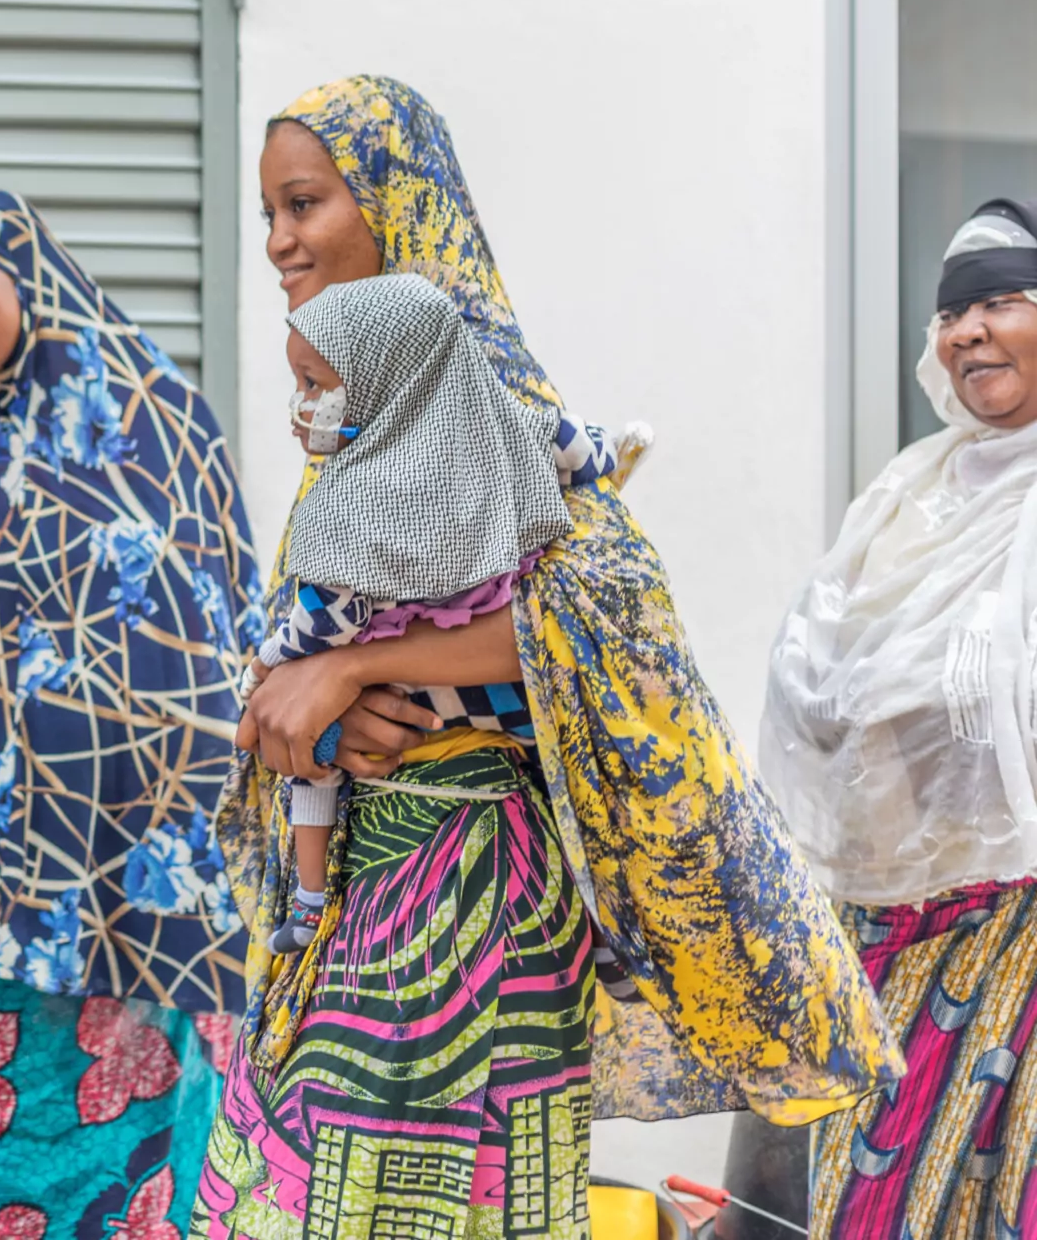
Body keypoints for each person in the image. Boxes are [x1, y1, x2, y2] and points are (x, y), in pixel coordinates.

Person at [189, 76, 899, 1239]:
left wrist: (357, 673)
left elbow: (611, 614)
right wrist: (308, 699)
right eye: (267, 212)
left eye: (303, 204)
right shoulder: (358, 397)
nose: (277, 242)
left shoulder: (478, 381)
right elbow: (309, 629)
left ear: (392, 201)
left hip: (471, 895)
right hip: (371, 877)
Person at [0, 190, 264, 1237]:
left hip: (138, 859)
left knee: (132, 1159)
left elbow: (218, 629)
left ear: (25, 269)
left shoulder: (159, 419)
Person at [761, 196, 1037, 1239]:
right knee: (880, 1202)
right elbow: (822, 688)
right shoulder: (906, 494)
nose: (966, 330)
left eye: (999, 301)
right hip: (899, 926)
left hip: (1024, 922)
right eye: (951, 312)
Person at [255, 272, 629, 954]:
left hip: (447, 828)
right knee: (569, 778)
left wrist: (281, 664)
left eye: (314, 384)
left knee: (314, 771)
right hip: (505, 714)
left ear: (381, 375)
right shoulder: (495, 425)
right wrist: (611, 452)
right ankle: (608, 927)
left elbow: (329, 614)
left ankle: (309, 901)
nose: (299, 404)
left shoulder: (353, 502)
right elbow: (570, 444)